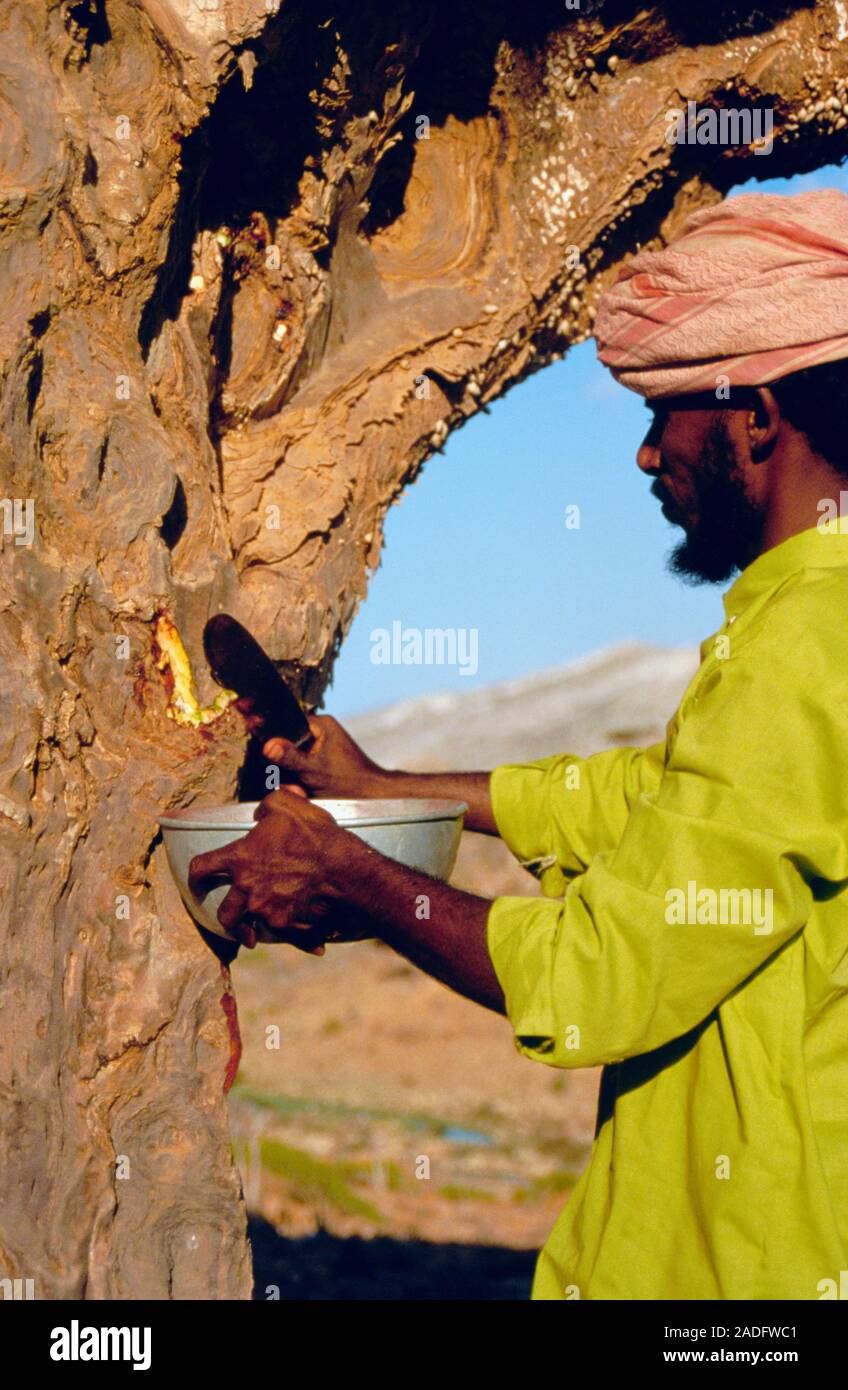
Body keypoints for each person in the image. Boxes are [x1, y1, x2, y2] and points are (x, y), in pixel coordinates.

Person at [190, 190, 848, 1300]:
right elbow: (642, 803)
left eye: (664, 413)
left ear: (754, 413)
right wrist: (380, 785)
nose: (645, 459)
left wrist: (349, 874)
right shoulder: (805, 621)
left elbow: (600, 975)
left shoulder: (805, 646)